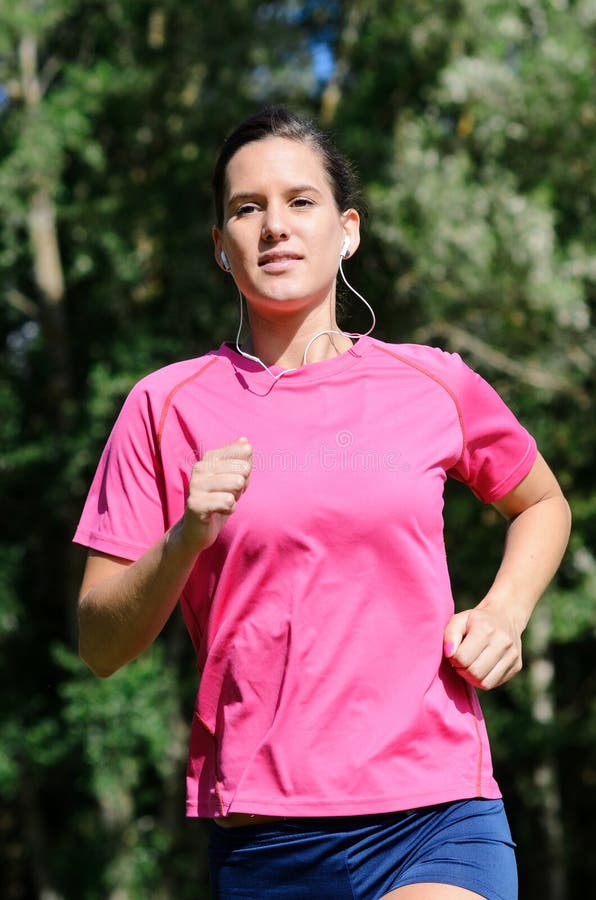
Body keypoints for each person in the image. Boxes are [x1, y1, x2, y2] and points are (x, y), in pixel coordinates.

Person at [74, 107, 571, 900]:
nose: (275, 226)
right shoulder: (163, 407)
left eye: (300, 201)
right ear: (221, 245)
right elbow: (101, 643)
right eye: (248, 208)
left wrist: (505, 613)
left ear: (347, 232)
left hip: (436, 815)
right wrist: (183, 540)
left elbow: (543, 503)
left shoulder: (434, 382)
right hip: (263, 840)